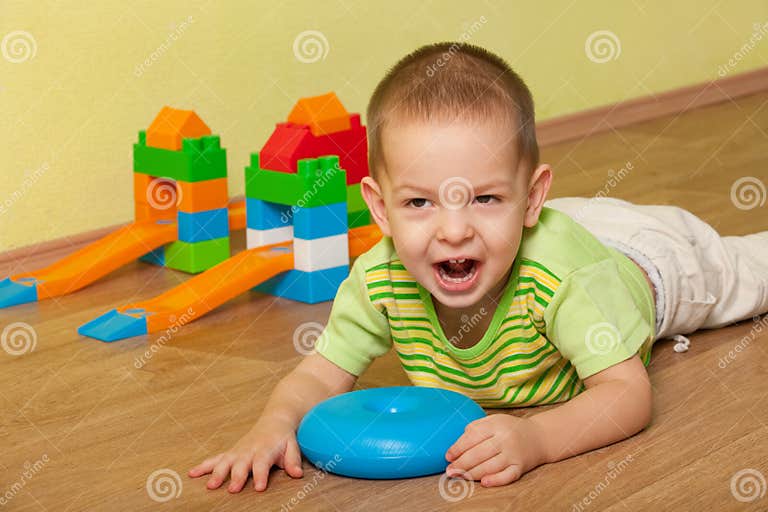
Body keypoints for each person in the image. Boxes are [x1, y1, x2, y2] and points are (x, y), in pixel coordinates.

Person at [189, 42, 768, 491]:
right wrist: (273, 423)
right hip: (528, 235)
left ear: (531, 198)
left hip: (654, 263)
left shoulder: (565, 282)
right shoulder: (379, 279)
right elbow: (319, 375)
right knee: (517, 235)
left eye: (483, 197)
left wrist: (537, 439)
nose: (453, 230)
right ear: (380, 208)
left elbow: (626, 394)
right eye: (420, 203)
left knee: (752, 274)